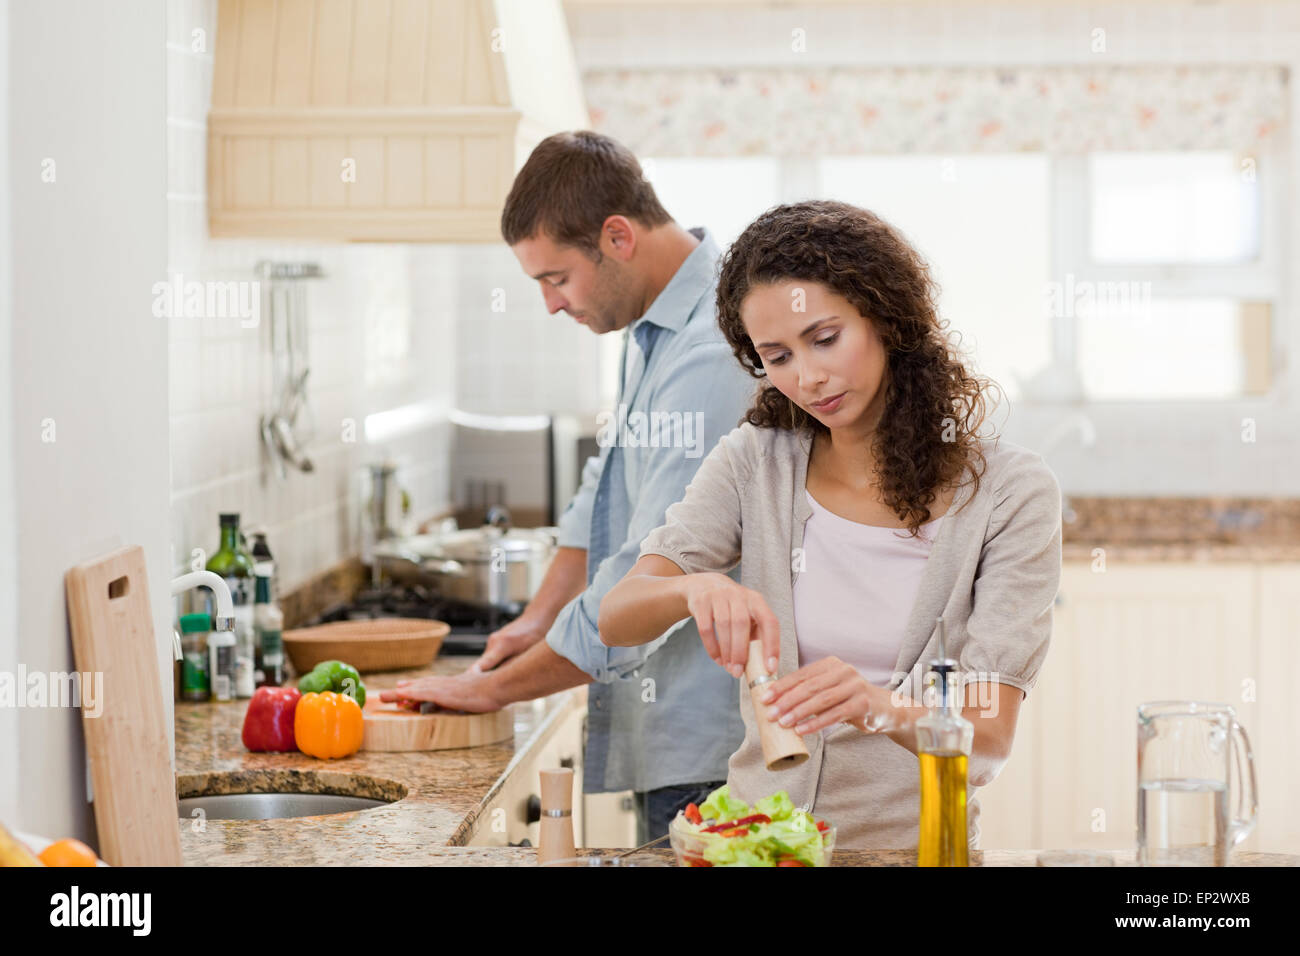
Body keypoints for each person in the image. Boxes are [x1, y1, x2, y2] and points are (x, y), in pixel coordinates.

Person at [597, 199, 1063, 849]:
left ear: (885, 317)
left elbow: (985, 743)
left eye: (824, 339)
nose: (808, 377)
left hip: (914, 851)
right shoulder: (755, 462)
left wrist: (877, 707)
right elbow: (617, 615)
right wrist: (691, 588)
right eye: (777, 356)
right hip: (759, 847)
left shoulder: (1010, 495)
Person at [380, 131, 754, 842]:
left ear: (617, 236)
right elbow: (601, 493)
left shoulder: (710, 350)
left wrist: (487, 689)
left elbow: (650, 560)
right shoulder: (655, 328)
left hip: (712, 742)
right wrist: (535, 621)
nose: (551, 305)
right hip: (674, 733)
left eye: (555, 278)